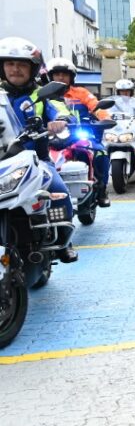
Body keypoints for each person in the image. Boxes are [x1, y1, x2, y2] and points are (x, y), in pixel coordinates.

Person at [0, 37, 77, 263]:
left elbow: (61, 110)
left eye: (22, 64)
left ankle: (64, 241)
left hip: (35, 161)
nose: (15, 69)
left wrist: (60, 121)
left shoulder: (43, 94)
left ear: (32, 69)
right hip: (2, 159)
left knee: (58, 191)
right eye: (10, 64)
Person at [46, 57, 111, 208]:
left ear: (71, 77)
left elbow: (96, 106)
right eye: (57, 74)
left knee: (101, 153)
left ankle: (101, 189)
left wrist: (105, 118)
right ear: (50, 76)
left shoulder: (81, 92)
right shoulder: (45, 95)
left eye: (64, 74)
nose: (61, 77)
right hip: (51, 138)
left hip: (80, 135)